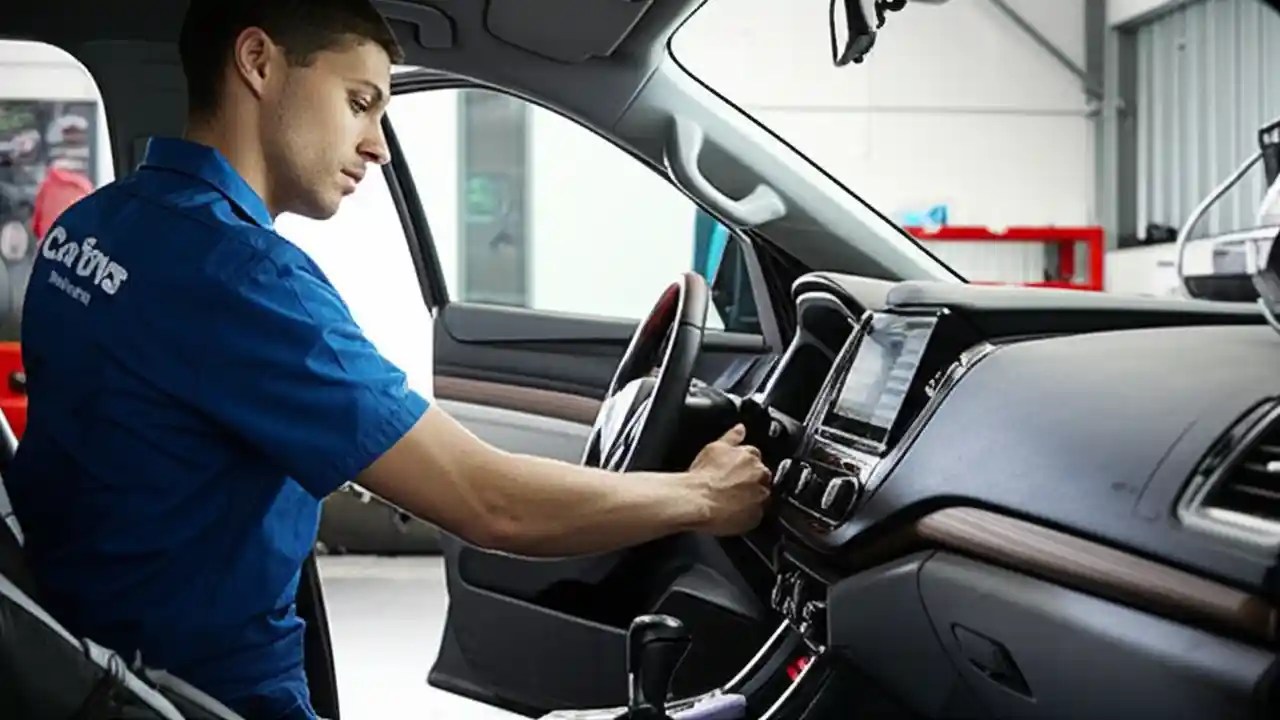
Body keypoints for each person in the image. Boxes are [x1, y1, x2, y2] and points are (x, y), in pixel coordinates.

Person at [3, 1, 773, 719]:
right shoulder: (240, 275)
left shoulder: (94, 226)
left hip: (93, 661)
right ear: (259, 63)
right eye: (360, 102)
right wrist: (702, 496)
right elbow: (487, 502)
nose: (376, 145)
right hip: (208, 695)